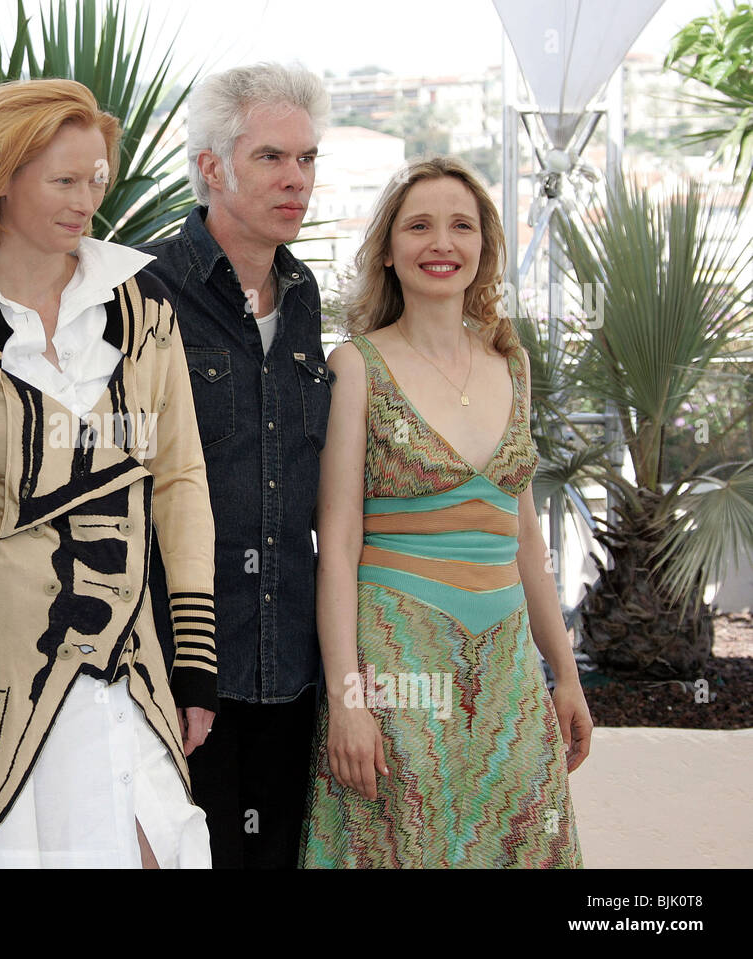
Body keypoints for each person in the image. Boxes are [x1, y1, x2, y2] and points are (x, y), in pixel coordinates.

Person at [0, 78, 217, 868]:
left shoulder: (145, 309)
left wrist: (195, 659)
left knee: (157, 844)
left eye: (97, 181)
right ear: (0, 177)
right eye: (64, 180)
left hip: (132, 665)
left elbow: (180, 479)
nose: (87, 200)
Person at [301, 156, 591, 868]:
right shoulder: (357, 366)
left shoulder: (511, 363)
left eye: (462, 226)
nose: (442, 243)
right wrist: (347, 700)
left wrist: (566, 673)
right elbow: (336, 545)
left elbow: (525, 539)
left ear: (485, 246)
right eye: (419, 225)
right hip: (395, 662)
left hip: (509, 672)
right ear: (390, 250)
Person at [138, 64, 332, 869]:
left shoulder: (305, 295)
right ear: (212, 167)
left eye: (309, 159)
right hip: (185, 672)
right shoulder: (144, 292)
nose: (297, 180)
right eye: (272, 158)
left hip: (289, 666)